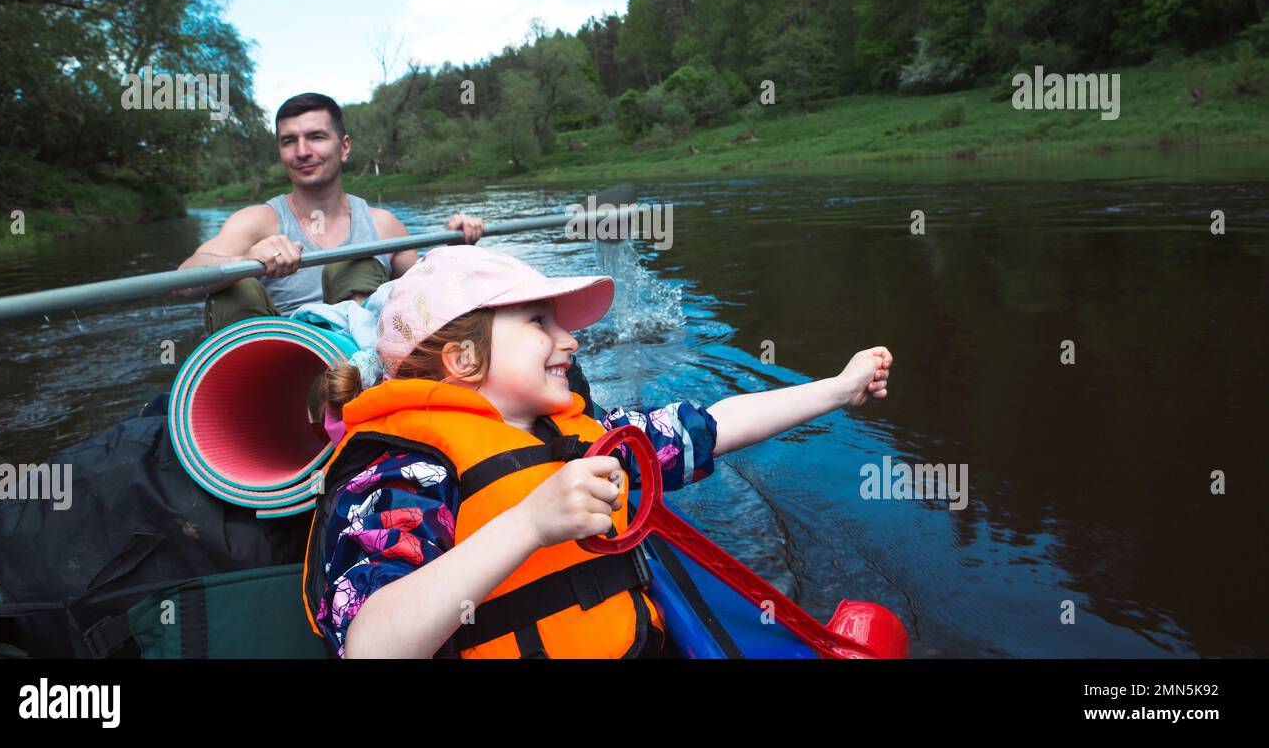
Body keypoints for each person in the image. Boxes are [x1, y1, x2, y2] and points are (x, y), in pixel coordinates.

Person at [299, 245, 894, 659]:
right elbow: (371, 644)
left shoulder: (591, 435)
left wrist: (837, 390)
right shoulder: (400, 471)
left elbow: (713, 426)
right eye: (540, 322)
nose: (571, 339)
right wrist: (530, 524)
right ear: (463, 359)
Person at [174, 91, 486, 333]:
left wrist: (456, 253)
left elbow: (430, 302)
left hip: (359, 369)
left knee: (355, 264)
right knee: (233, 286)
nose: (302, 151)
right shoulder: (255, 221)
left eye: (316, 137)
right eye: (289, 141)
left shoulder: (384, 225)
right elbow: (184, 282)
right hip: (275, 370)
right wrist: (245, 263)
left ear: (344, 146)